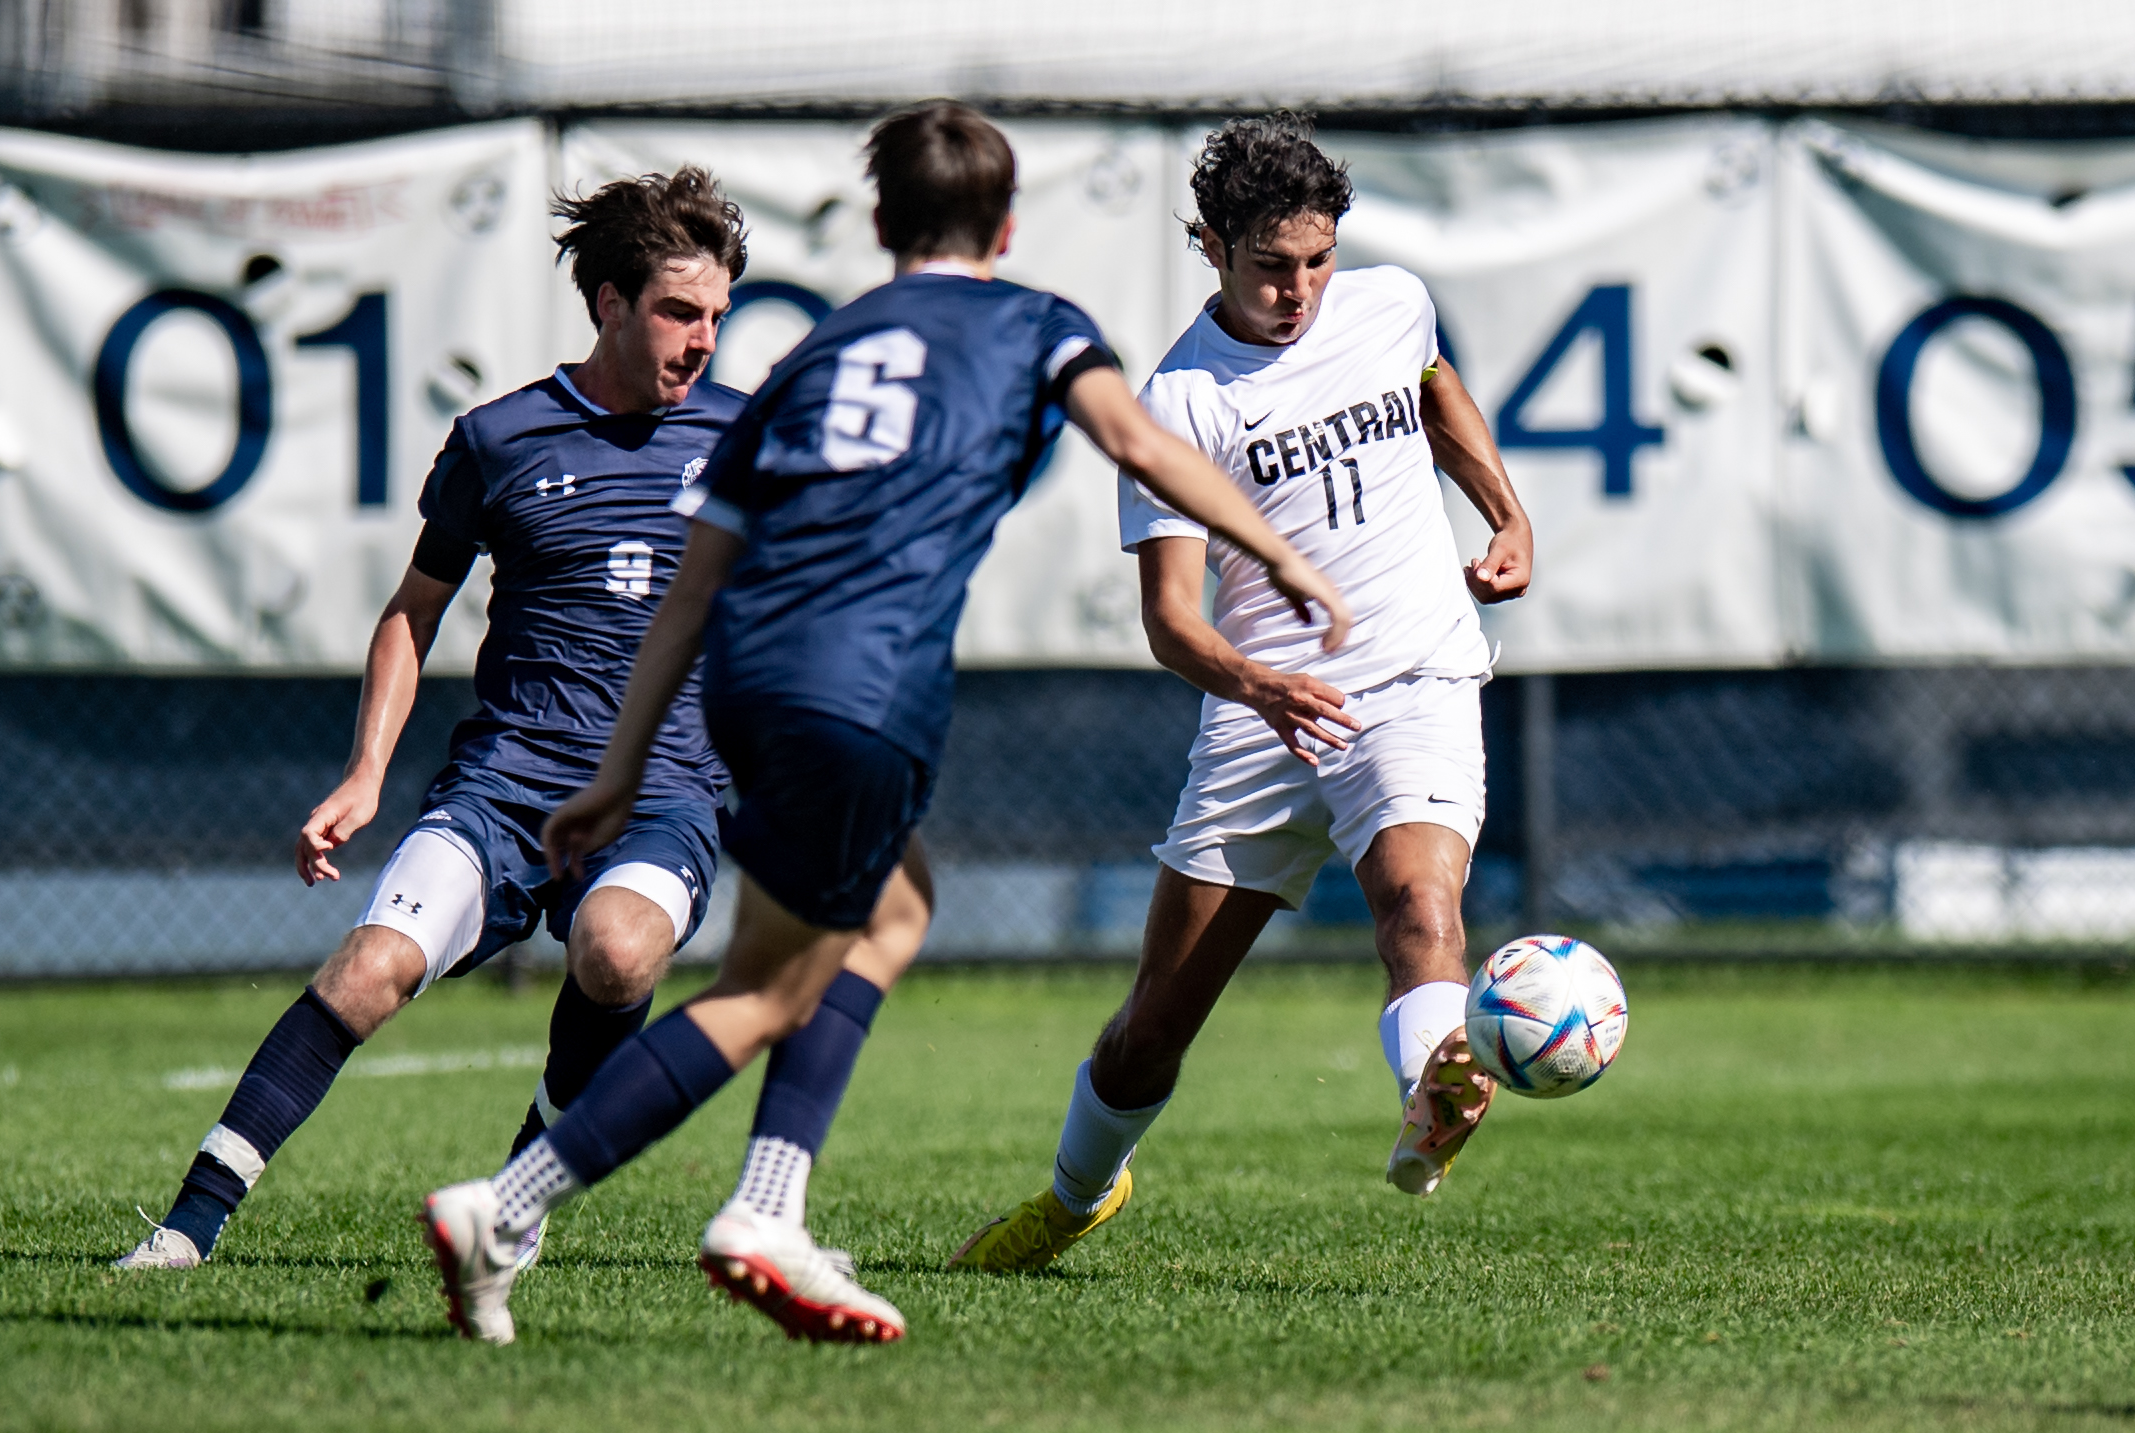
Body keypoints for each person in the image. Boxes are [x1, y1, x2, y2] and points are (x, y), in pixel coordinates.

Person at [418, 100, 1350, 1348]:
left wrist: (618, 770)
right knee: (763, 988)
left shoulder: (813, 354)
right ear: (1005, 228)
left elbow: (696, 584)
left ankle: (751, 1202)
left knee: (891, 909)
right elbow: (1134, 438)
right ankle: (527, 1205)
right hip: (862, 687)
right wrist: (1272, 548)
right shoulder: (1033, 324)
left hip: (748, 684)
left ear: (878, 223)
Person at [117, 169, 928, 1289]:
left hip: (663, 796)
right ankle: (185, 1228)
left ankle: (515, 1197)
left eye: (717, 316)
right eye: (678, 312)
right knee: (368, 969)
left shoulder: (750, 439)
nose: (703, 339)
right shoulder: (500, 438)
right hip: (503, 789)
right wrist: (365, 771)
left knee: (618, 952)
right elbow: (412, 612)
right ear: (608, 301)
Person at [949, 112, 1536, 1275]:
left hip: (1412, 676)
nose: (1298, 290)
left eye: (1317, 260)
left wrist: (1504, 511)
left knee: (1419, 909)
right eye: (1270, 265)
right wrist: (1259, 683)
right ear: (1210, 245)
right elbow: (1171, 621)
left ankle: (1432, 1088)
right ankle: (1070, 1198)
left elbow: (1433, 389)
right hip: (1263, 719)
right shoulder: (1178, 401)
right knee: (1151, 1027)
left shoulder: (1390, 304)